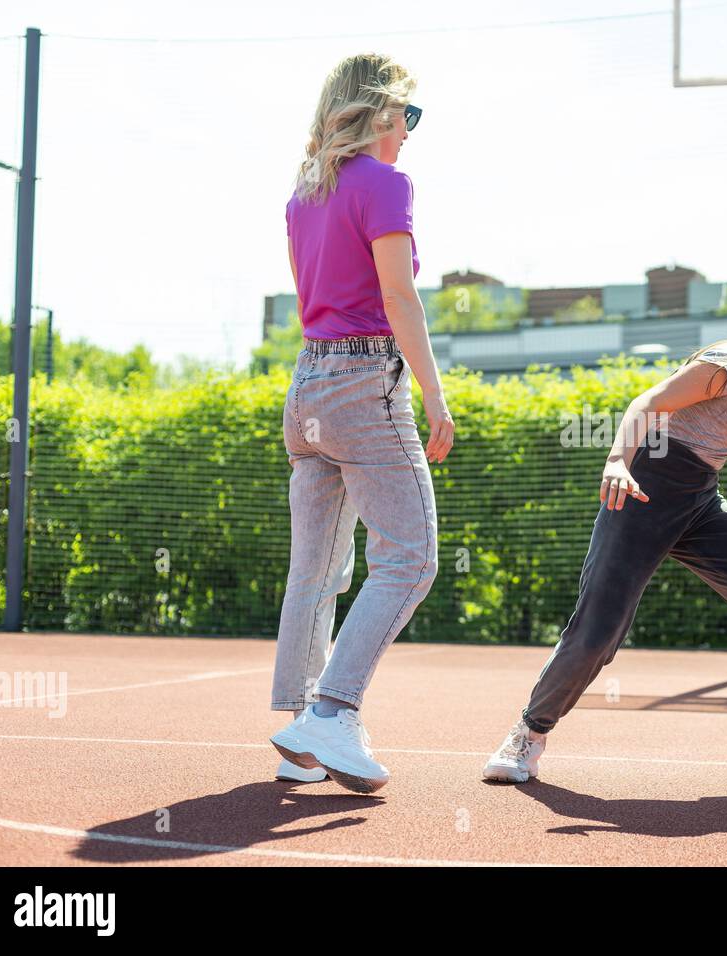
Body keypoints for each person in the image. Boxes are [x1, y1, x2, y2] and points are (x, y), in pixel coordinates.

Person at [483, 284, 727, 793]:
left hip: (698, 500)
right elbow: (649, 401)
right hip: (644, 489)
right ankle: (527, 737)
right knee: (598, 632)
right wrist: (616, 462)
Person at [268, 54, 454, 794]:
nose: (410, 131)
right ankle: (332, 711)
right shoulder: (385, 184)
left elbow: (313, 299)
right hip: (363, 382)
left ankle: (298, 739)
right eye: (406, 114)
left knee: (315, 570)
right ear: (377, 111)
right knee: (411, 559)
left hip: (307, 385)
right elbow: (399, 300)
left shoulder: (301, 197)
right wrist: (435, 401)